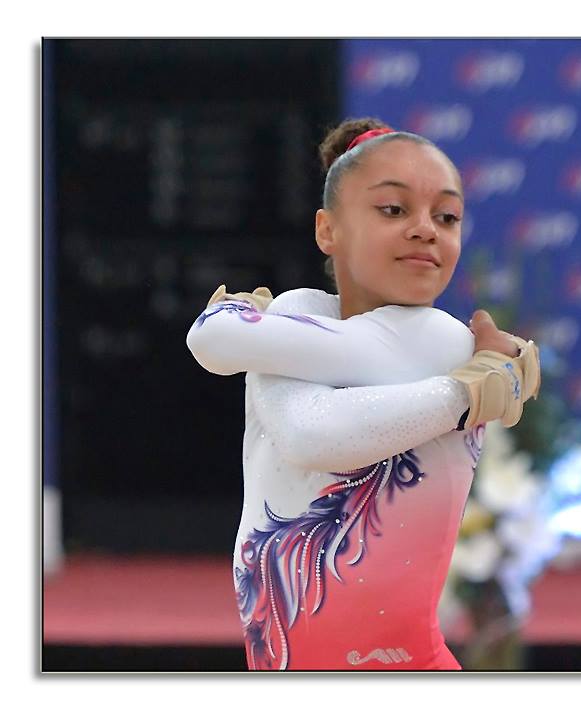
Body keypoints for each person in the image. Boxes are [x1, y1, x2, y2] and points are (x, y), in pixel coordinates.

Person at [186, 117, 541, 671]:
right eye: (393, 210)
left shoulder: (443, 340)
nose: (426, 229)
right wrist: (469, 393)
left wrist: (236, 322)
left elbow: (311, 435)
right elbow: (214, 344)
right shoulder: (301, 316)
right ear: (328, 230)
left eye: (446, 216)